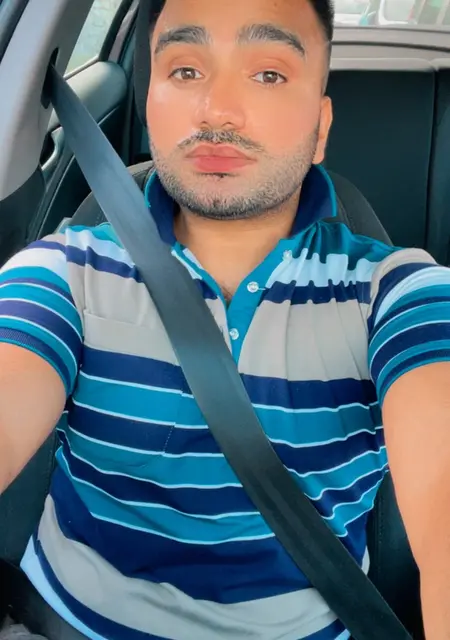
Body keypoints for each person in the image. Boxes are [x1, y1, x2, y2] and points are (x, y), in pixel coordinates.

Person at [1, 0, 450, 638]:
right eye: (185, 70)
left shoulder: (397, 295)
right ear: (150, 104)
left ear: (320, 127)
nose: (217, 110)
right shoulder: (64, 274)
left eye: (268, 74)